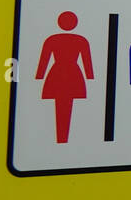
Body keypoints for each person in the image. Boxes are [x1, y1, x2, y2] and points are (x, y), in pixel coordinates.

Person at [34, 11, 93, 144]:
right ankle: (62, 139)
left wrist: (40, 76)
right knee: (65, 104)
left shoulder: (52, 39)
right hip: (72, 73)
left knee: (62, 104)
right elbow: (87, 62)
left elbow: (44, 60)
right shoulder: (81, 40)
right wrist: (89, 76)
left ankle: (62, 139)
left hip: (58, 72)